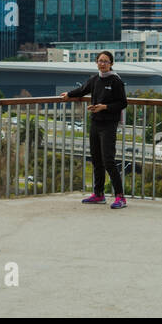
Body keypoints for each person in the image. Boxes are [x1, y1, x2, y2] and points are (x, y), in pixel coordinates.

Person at [60, 51, 128, 208]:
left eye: (105, 61)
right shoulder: (95, 79)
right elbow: (82, 90)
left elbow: (122, 103)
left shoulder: (116, 81)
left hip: (109, 124)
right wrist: (68, 94)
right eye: (100, 61)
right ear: (96, 62)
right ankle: (99, 194)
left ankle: (120, 197)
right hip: (95, 123)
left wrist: (104, 107)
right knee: (96, 159)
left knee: (108, 160)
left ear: (111, 63)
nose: (102, 63)